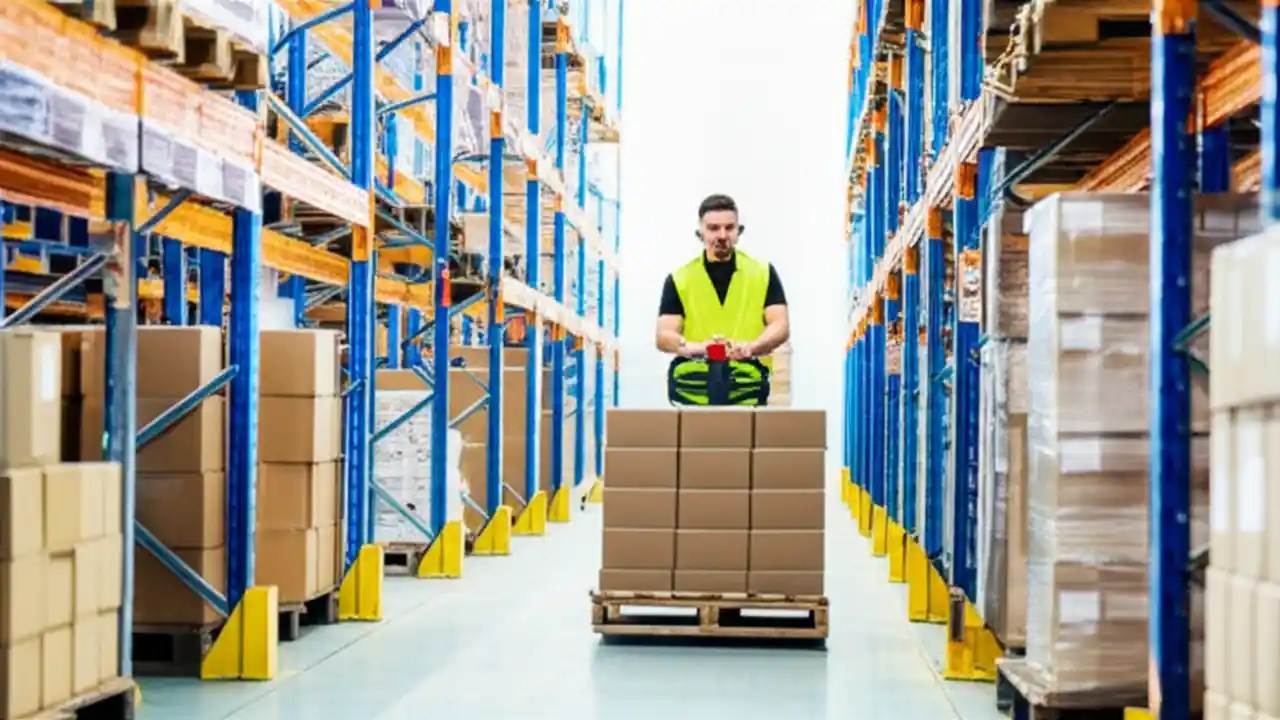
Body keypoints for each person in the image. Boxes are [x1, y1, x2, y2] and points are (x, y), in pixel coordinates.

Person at [655, 194, 790, 406]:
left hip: (749, 389)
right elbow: (664, 335)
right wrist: (696, 347)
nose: (722, 235)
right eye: (713, 228)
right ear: (700, 232)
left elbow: (780, 325)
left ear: (739, 231)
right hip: (696, 391)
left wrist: (751, 347)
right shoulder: (680, 278)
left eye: (729, 227)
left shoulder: (762, 272)